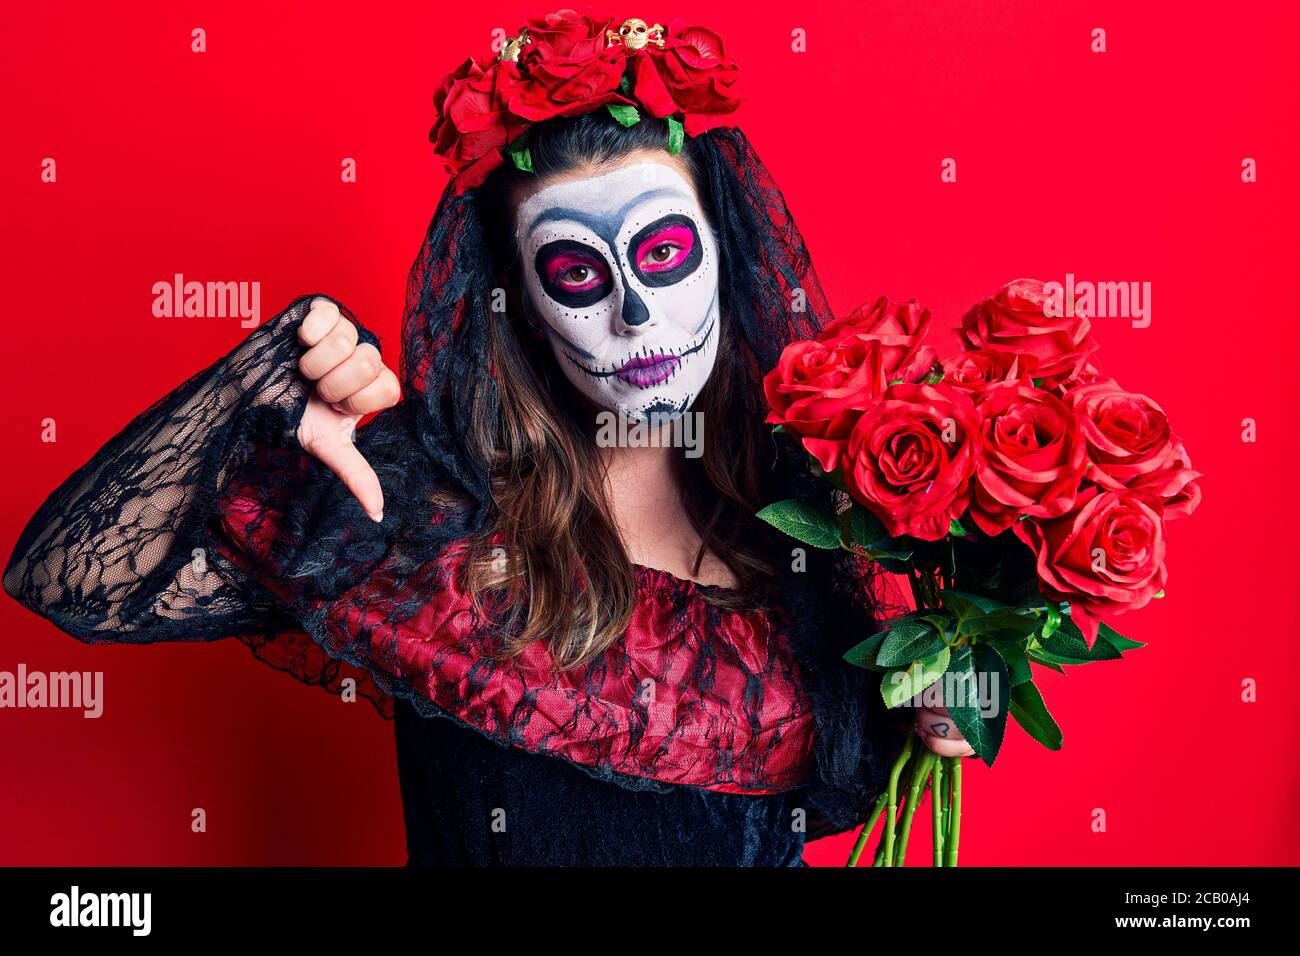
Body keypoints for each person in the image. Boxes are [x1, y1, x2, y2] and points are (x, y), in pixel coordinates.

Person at [3, 10, 971, 866]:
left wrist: (962, 693)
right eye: (577, 274)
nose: (635, 314)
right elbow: (72, 583)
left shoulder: (822, 509)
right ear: (519, 302)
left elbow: (871, 758)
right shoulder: (425, 499)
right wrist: (265, 392)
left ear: (726, 252)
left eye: (664, 253)